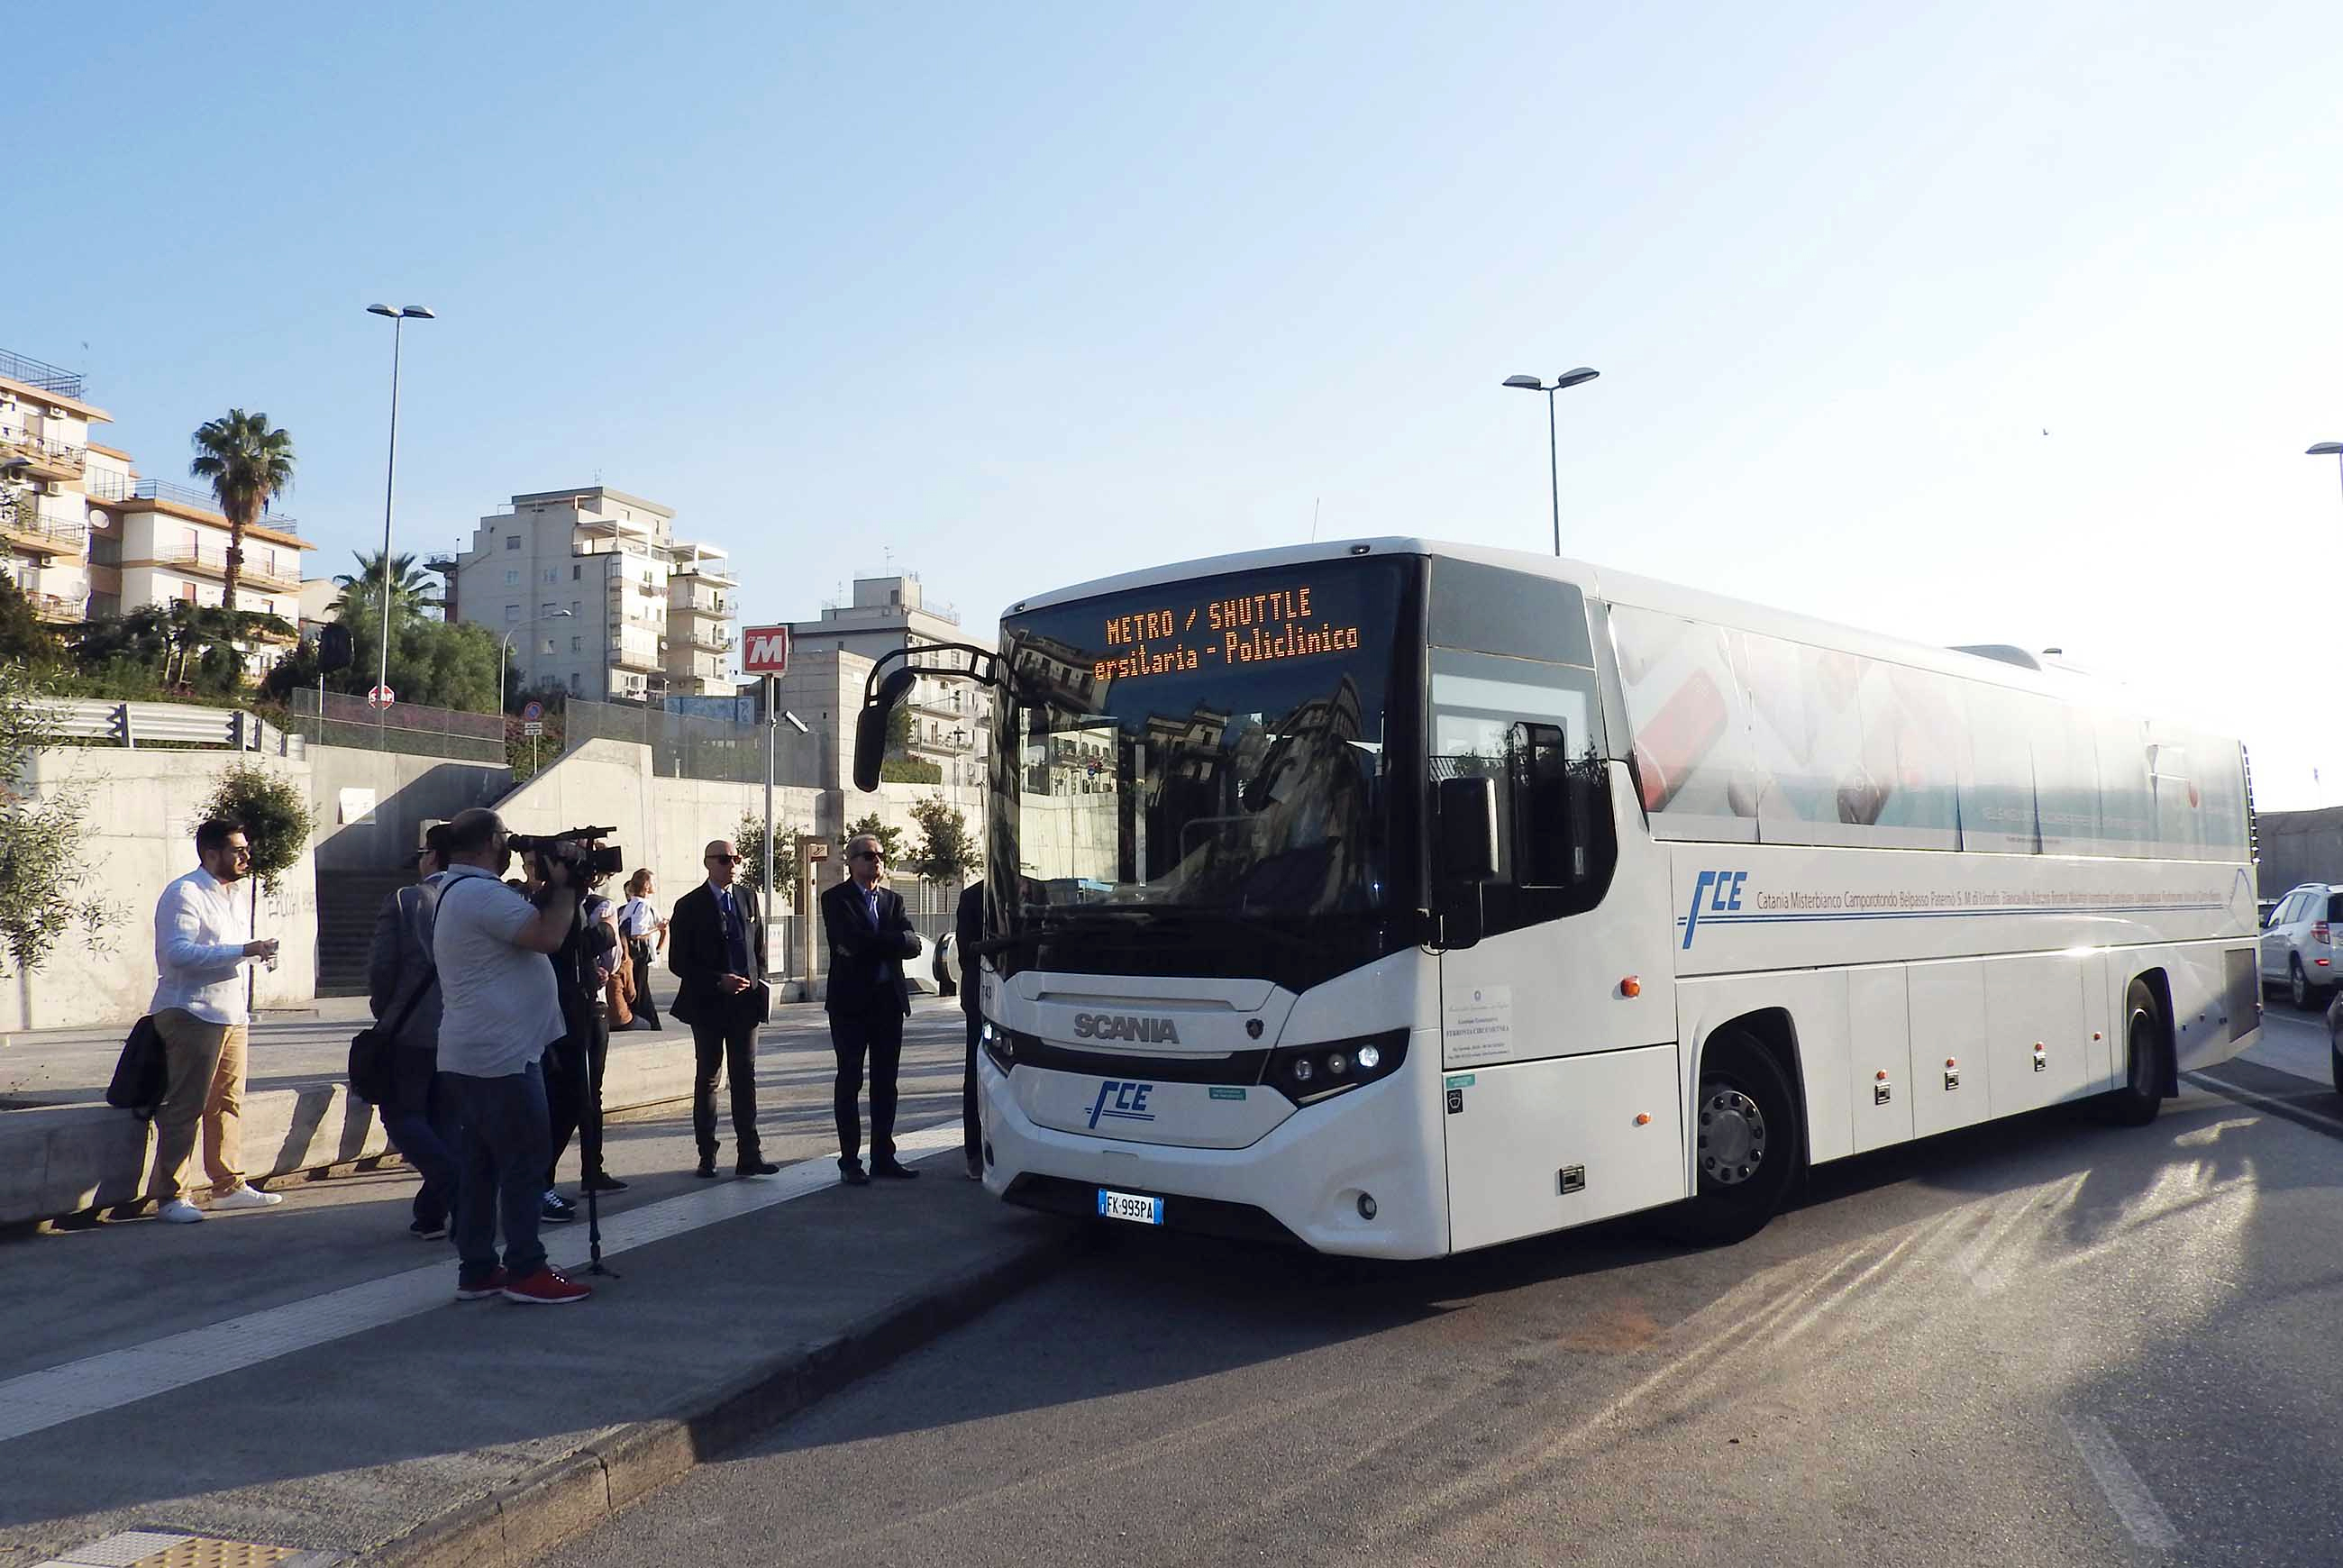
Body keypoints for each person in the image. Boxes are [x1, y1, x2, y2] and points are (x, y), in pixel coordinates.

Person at [431, 807, 592, 1305]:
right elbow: (548, 936)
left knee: (482, 1165)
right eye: (505, 838)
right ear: (486, 844)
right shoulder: (479, 893)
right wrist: (564, 887)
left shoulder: (461, 891)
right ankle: (527, 1269)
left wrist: (553, 884)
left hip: (478, 1051)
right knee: (525, 1160)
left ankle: (478, 1268)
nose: (511, 845)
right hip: (500, 1055)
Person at [144, 818, 283, 1224]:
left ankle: (229, 1185)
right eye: (237, 850)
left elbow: (231, 952)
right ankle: (171, 1196)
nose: (246, 856)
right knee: (186, 1104)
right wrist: (242, 949)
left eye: (245, 849)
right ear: (211, 854)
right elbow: (178, 954)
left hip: (231, 1013)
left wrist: (258, 954)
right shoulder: (184, 892)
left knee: (227, 1102)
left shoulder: (234, 895)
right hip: (191, 1012)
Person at [366, 825, 460, 1239]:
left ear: (433, 857)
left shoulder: (408, 899)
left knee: (401, 1114)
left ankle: (455, 1182)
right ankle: (431, 1213)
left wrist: (387, 1011)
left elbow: (382, 968)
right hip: (463, 1029)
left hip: (413, 1028)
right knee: (443, 1120)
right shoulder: (483, 899)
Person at [820, 834, 923, 1186]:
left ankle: (884, 1155)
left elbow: (913, 943)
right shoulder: (836, 899)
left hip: (888, 1003)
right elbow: (849, 941)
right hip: (850, 1005)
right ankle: (850, 1160)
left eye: (880, 855)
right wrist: (891, 942)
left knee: (886, 1083)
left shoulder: (893, 901)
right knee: (850, 1081)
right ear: (851, 862)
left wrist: (883, 943)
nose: (875, 860)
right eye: (867, 855)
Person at [669, 839, 775, 1179]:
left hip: (745, 1005)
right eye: (723, 859)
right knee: (710, 1077)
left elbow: (756, 947)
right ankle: (707, 1152)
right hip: (708, 1004)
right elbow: (678, 962)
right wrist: (718, 980)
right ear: (707, 864)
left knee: (745, 1077)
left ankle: (749, 1154)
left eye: (735, 859)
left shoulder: (747, 898)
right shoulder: (688, 906)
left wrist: (758, 982)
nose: (731, 864)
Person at [538, 848, 626, 1208]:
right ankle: (540, 1182)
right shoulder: (550, 904)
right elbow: (572, 945)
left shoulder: (591, 904)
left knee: (588, 1095)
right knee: (566, 1098)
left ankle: (591, 1169)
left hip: (591, 1007)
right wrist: (606, 932)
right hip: (561, 1013)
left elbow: (612, 958)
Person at [953, 879, 986, 1181]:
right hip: (983, 997)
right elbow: (967, 953)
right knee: (976, 1075)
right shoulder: (974, 896)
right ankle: (974, 1152)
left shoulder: (1034, 891)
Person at [618, 869, 666, 1030]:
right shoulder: (643, 906)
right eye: (652, 881)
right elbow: (637, 933)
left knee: (638, 988)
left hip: (630, 955)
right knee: (641, 989)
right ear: (646, 885)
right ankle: (649, 1023)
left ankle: (646, 1021)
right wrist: (657, 928)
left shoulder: (632, 904)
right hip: (639, 955)